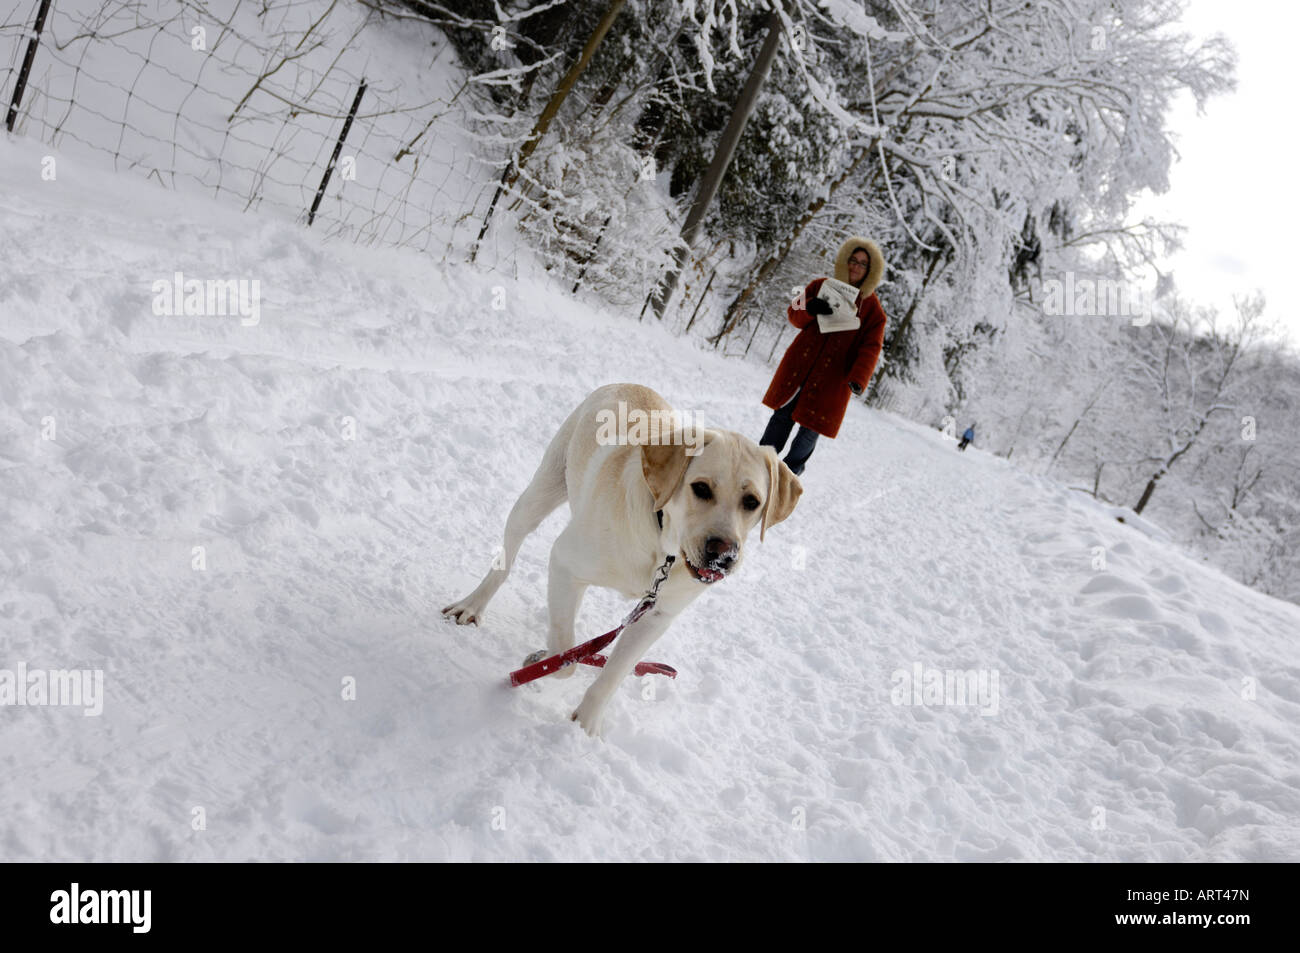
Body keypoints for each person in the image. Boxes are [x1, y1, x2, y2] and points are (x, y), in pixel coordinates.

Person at [758, 235, 888, 475]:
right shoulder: (819, 285)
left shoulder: (873, 310)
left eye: (862, 264)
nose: (855, 267)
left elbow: (871, 347)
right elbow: (793, 313)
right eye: (853, 260)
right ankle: (759, 467)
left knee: (810, 430)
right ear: (844, 260)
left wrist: (859, 378)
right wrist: (809, 308)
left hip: (832, 380)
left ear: (870, 271)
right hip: (800, 368)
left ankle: (788, 478)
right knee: (782, 416)